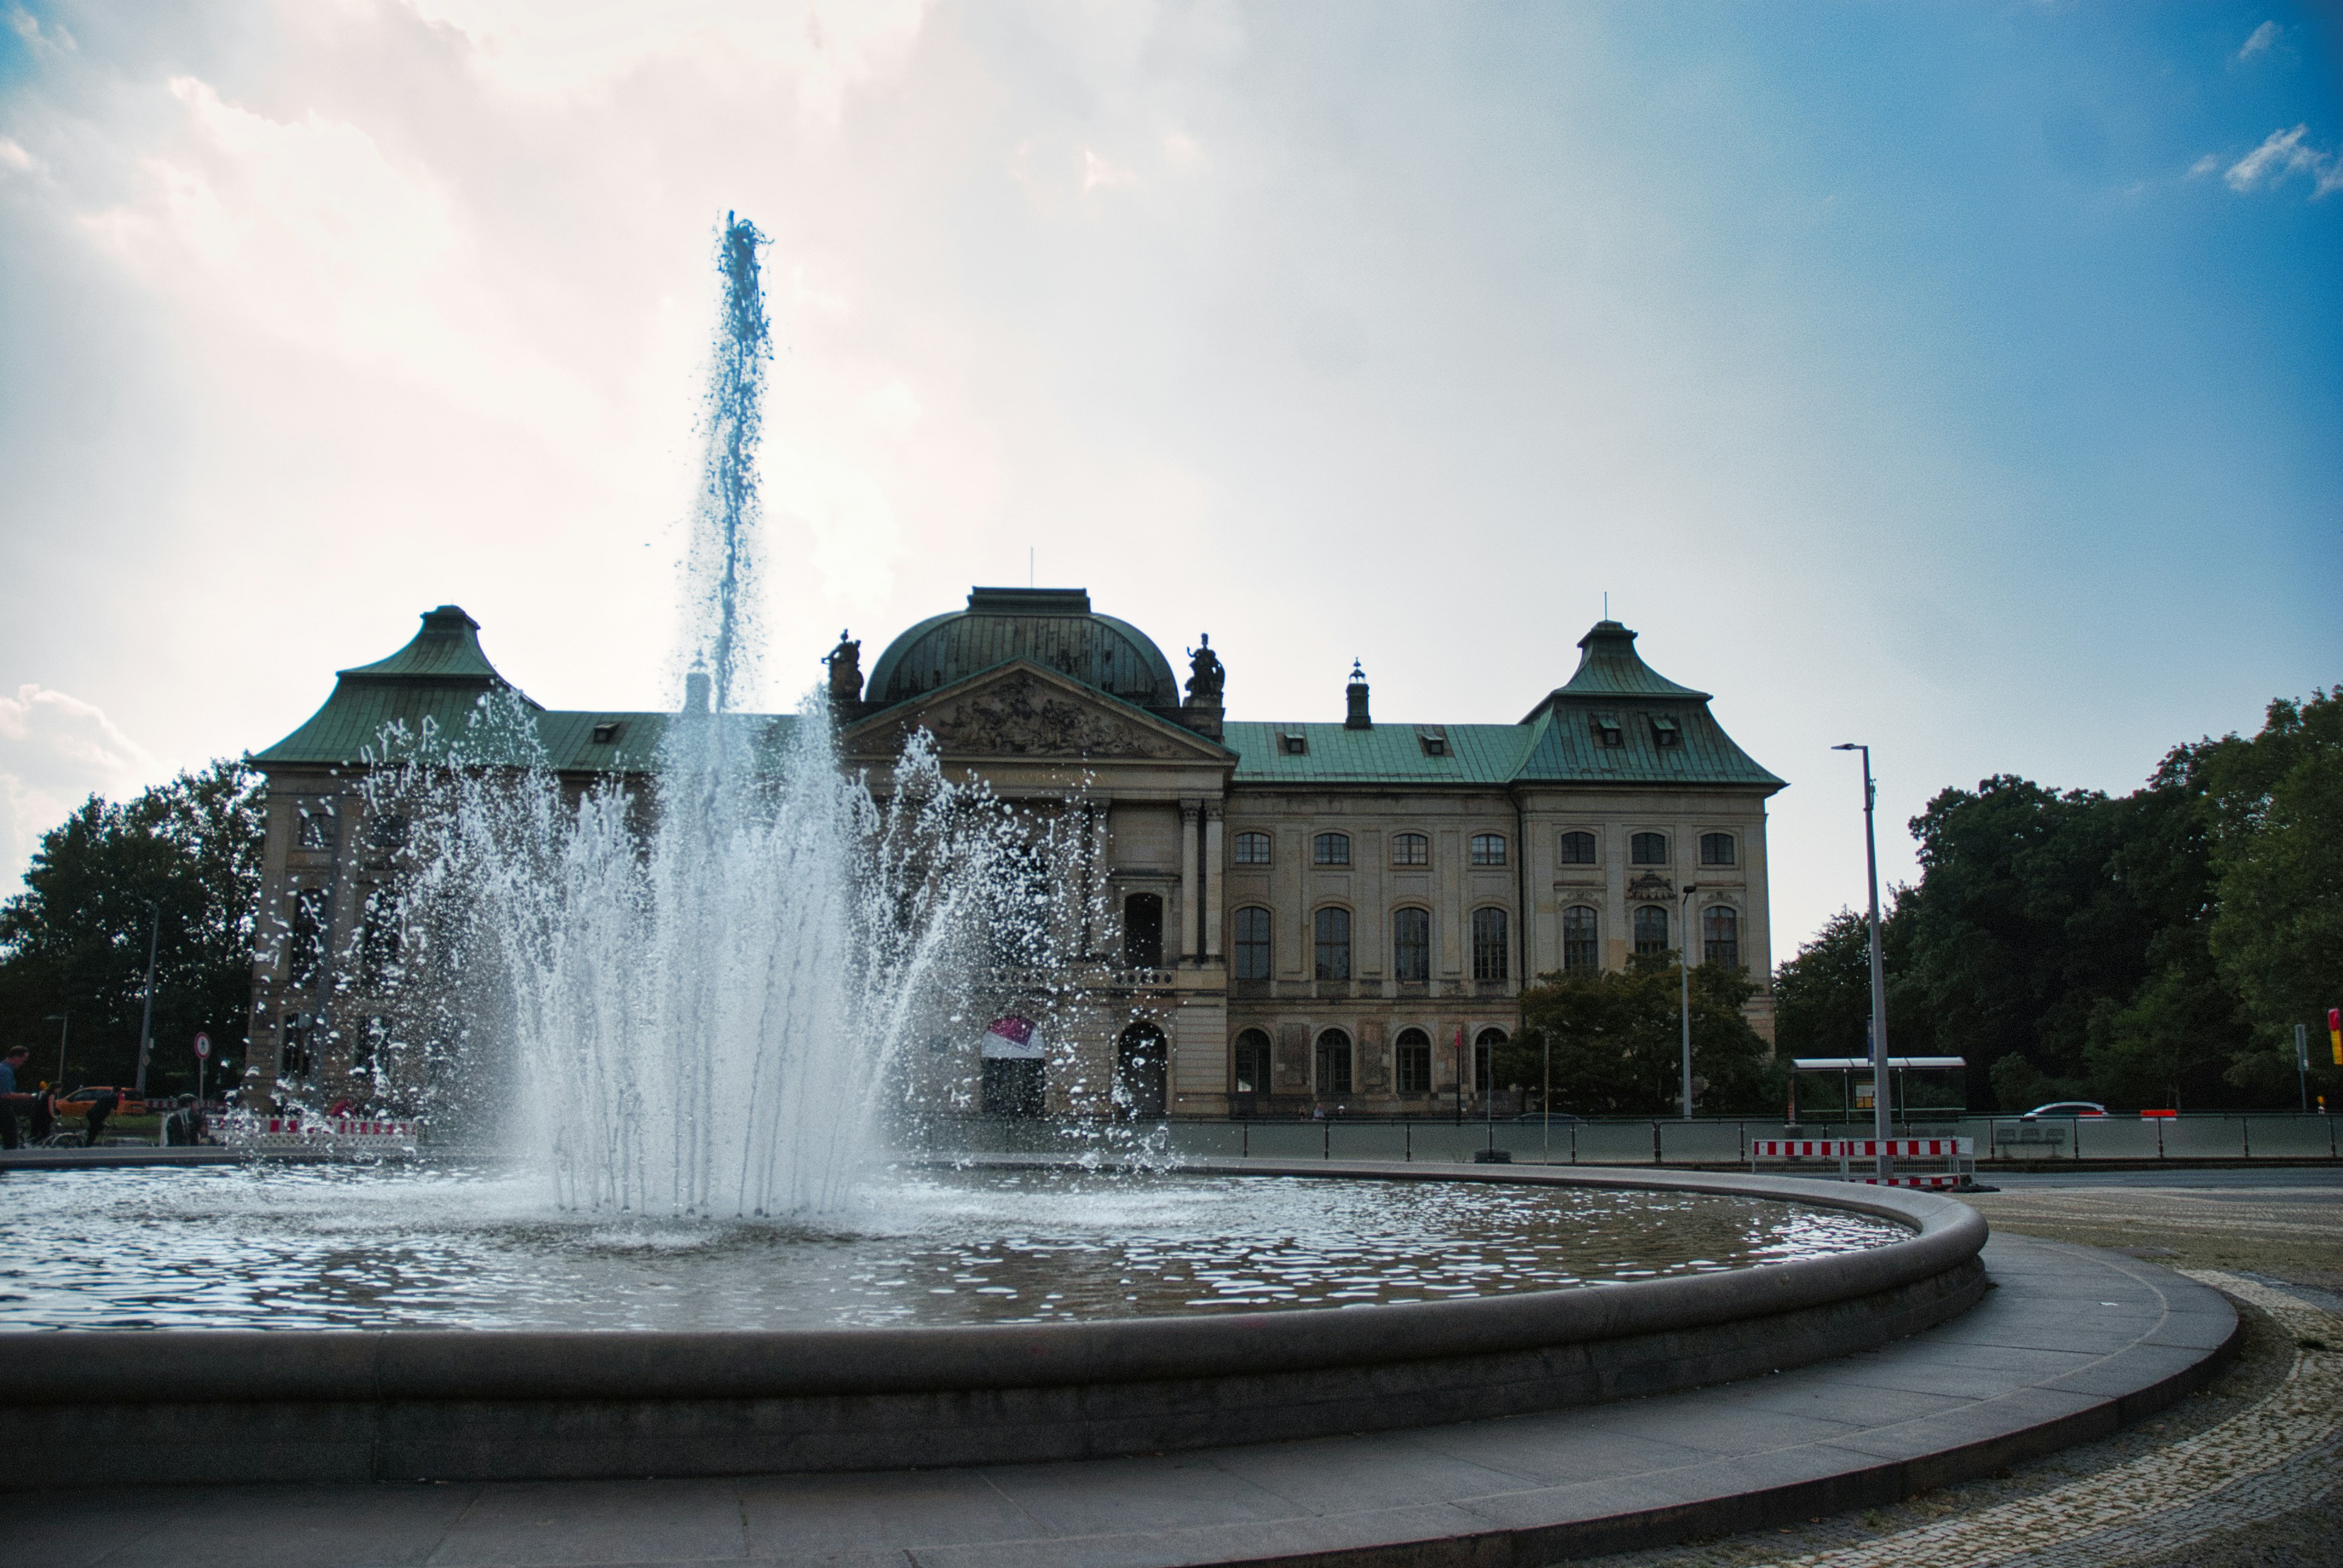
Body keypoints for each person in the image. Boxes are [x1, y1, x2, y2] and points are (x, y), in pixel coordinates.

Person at [0, 1045, 32, 1149]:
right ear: (16, 1057)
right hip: (3, 1107)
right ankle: (10, 1161)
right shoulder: (5, 1071)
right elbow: (5, 1094)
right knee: (11, 1138)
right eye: (23, 1060)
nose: (22, 1064)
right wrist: (25, 1096)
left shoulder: (4, 1069)